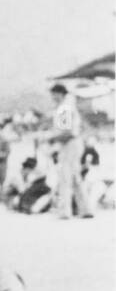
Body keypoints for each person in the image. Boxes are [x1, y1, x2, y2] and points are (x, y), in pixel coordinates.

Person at [46, 82, 92, 219]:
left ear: (60, 93)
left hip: (69, 145)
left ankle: (65, 212)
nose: (53, 97)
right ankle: (86, 209)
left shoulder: (64, 108)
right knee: (76, 178)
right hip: (73, 144)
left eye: (54, 94)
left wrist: (52, 139)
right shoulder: (67, 106)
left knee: (65, 178)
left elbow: (67, 133)